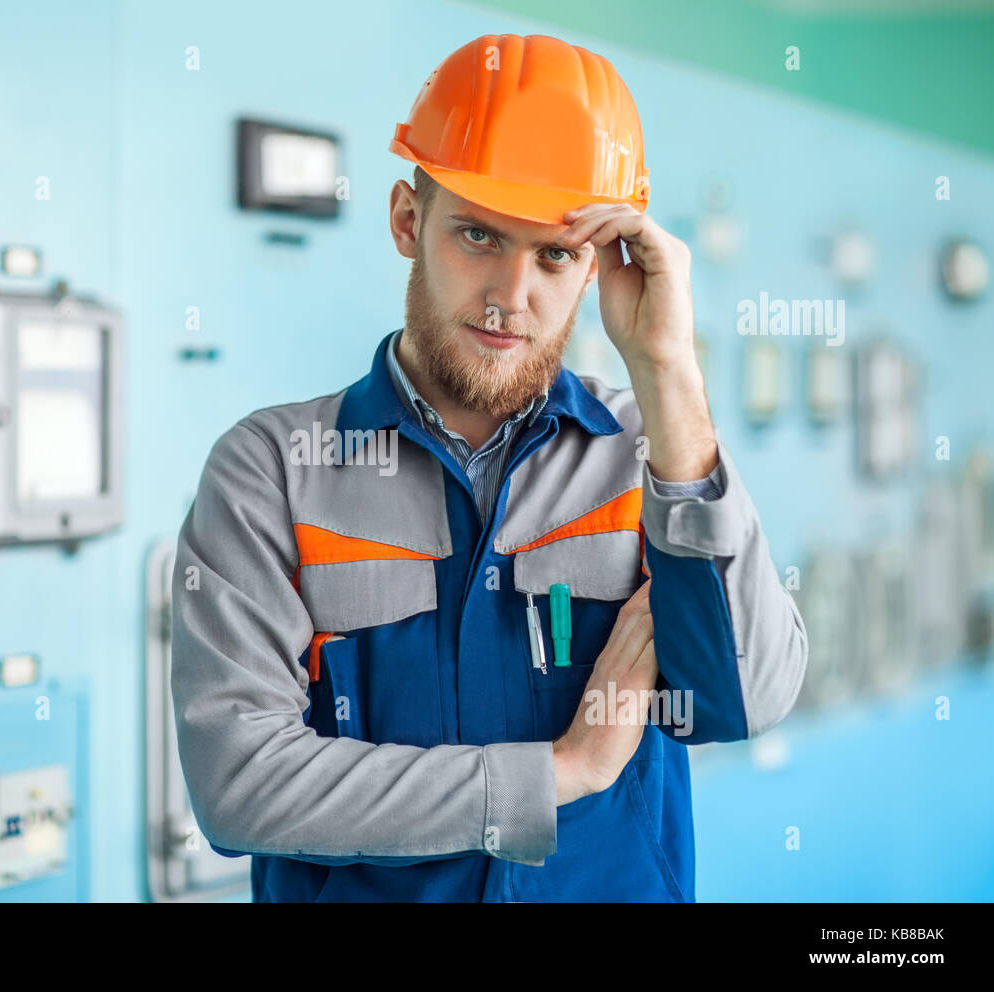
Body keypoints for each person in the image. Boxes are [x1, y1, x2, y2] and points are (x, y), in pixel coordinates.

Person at [170, 33, 807, 902]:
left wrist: (669, 372)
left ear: (597, 267)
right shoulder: (271, 473)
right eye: (478, 234)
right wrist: (557, 773)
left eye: (556, 254)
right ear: (407, 220)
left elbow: (748, 697)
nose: (514, 293)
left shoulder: (648, 459)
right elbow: (241, 788)